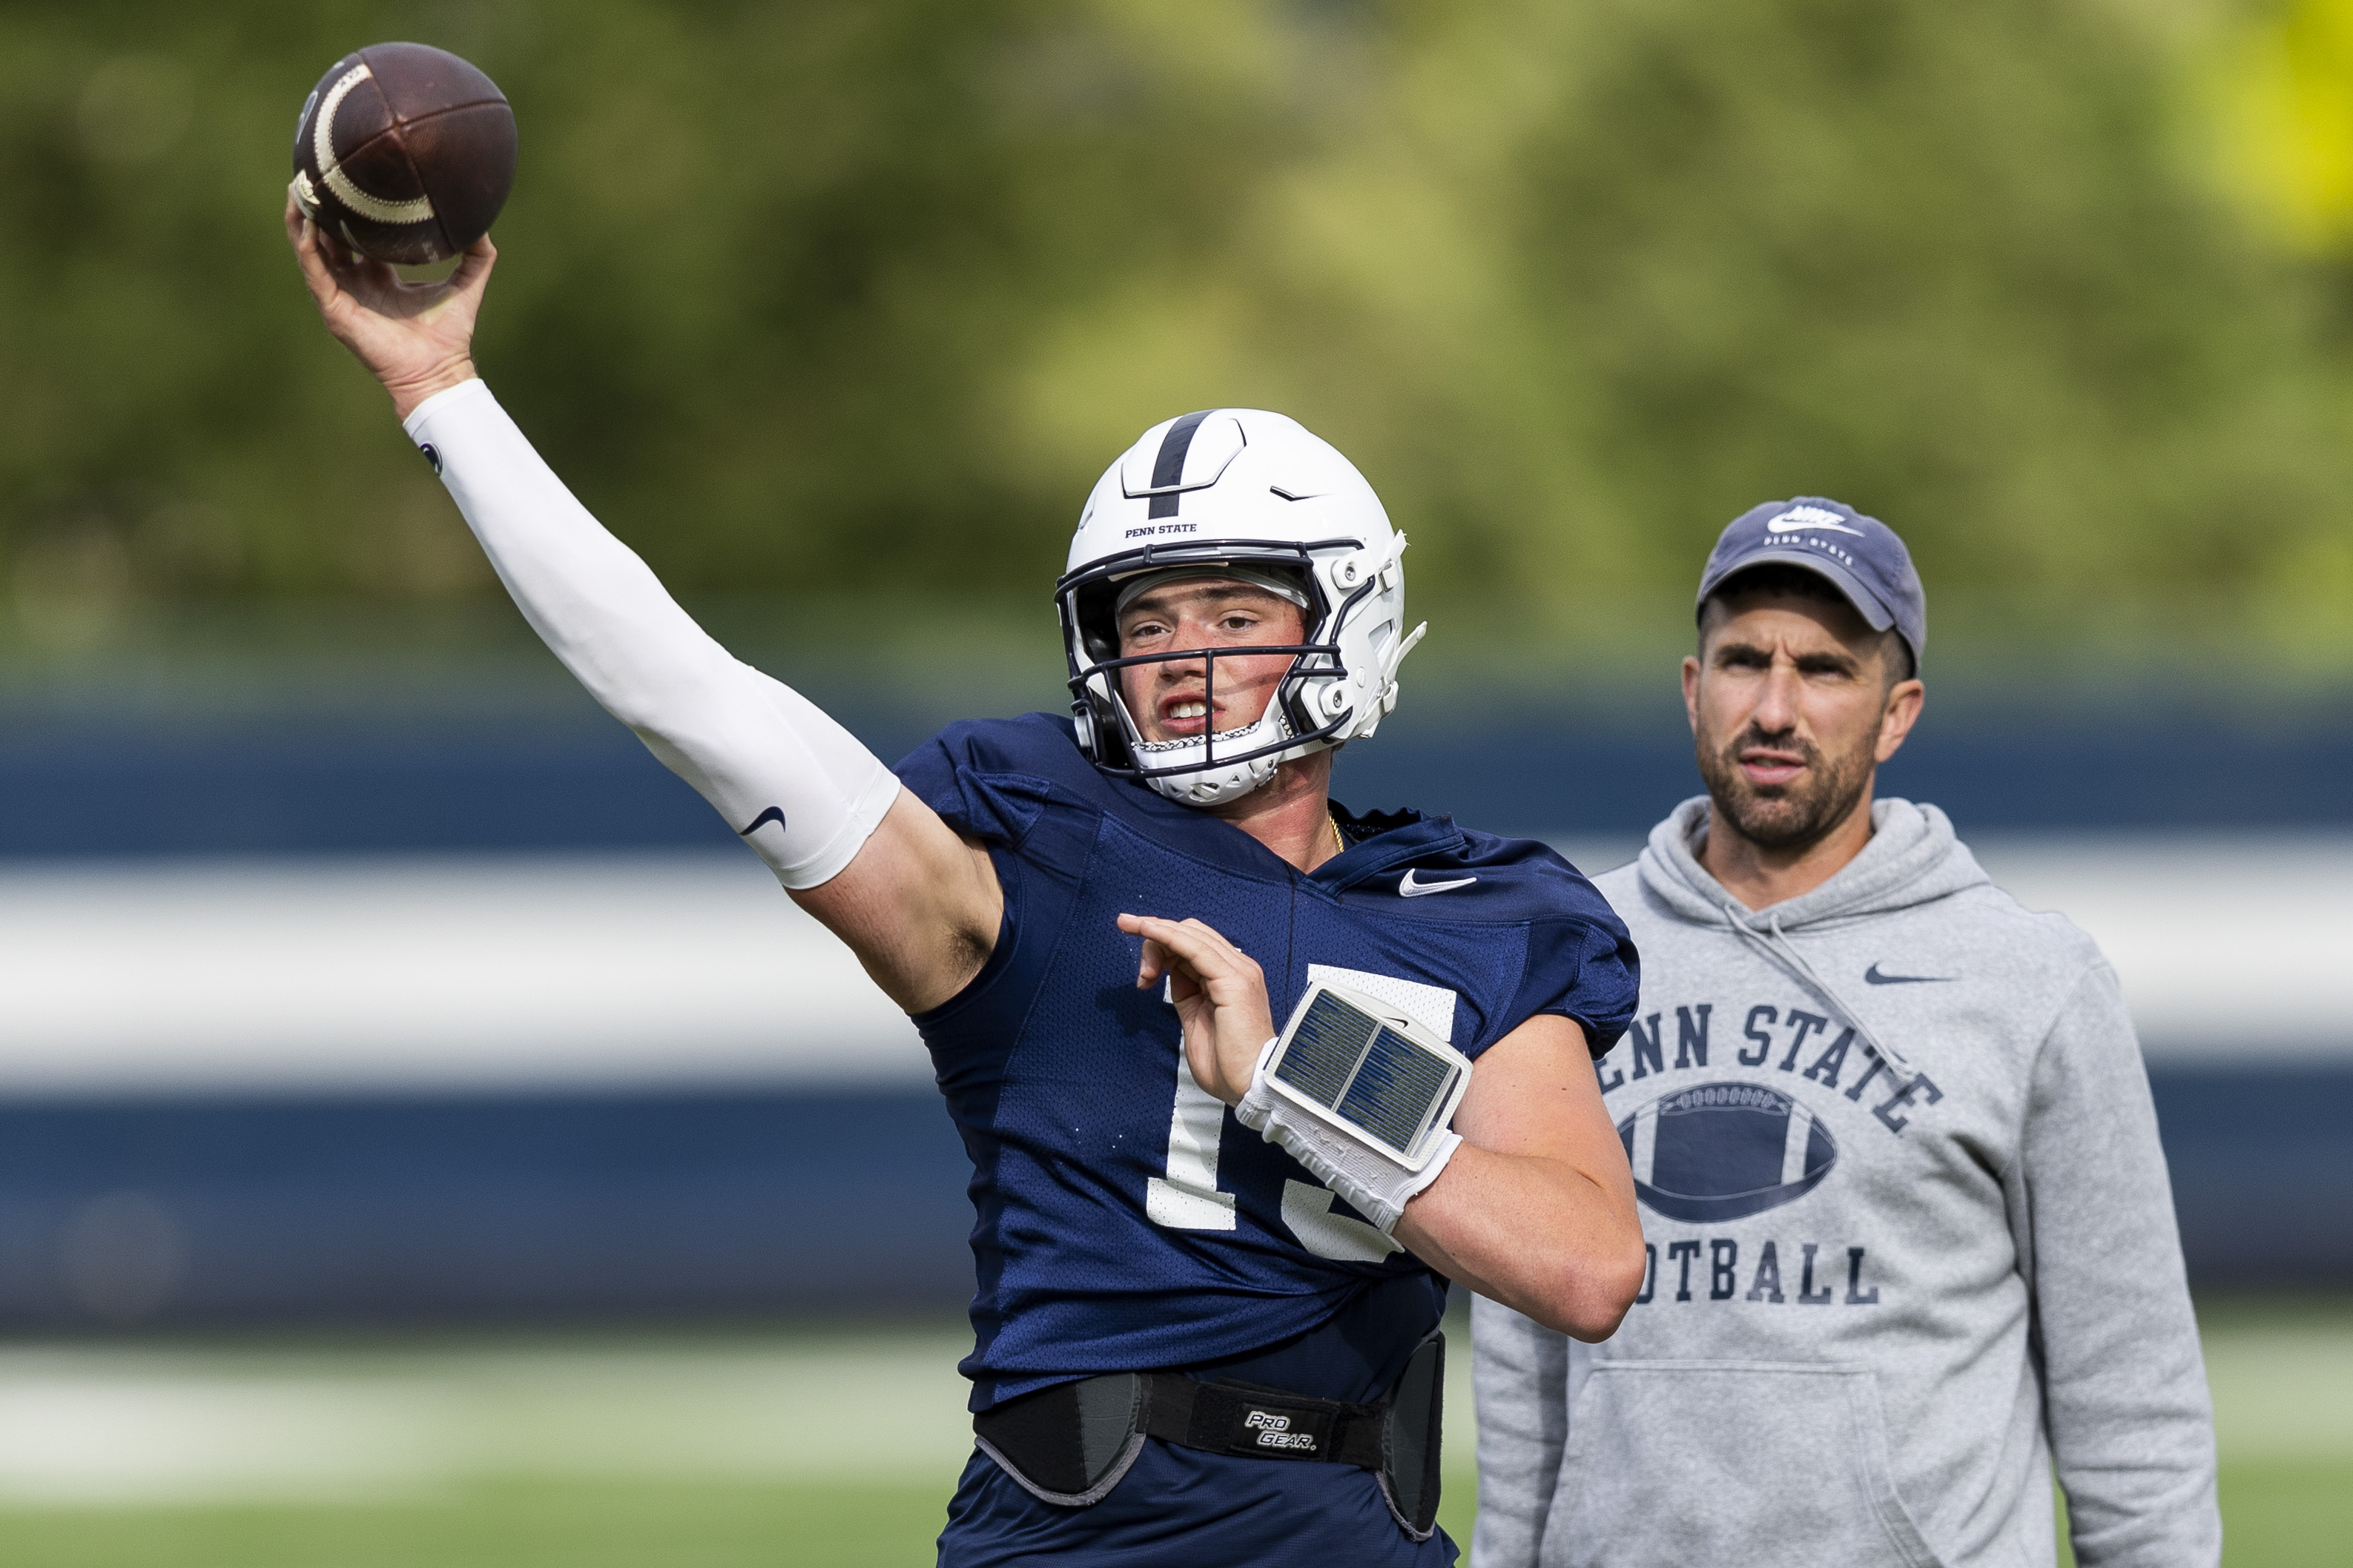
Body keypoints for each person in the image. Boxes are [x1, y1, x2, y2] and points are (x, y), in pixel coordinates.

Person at [286, 201, 1649, 1566]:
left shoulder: (1480, 908)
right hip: (1075, 1535)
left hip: (1358, 1533)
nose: (1179, 658)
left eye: (1234, 615)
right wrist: (439, 390)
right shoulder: (1044, 855)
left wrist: (1301, 1075)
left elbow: (1583, 1267)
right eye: (1145, 620)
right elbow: (695, 699)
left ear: (1344, 619)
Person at [1471, 498, 2220, 1568]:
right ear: (1693, 688)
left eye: (1823, 670)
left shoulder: (2029, 979)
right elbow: (1519, 1359)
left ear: (1896, 711)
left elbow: (2129, 1396)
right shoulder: (1566, 954)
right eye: (1742, 661)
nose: (1773, 707)